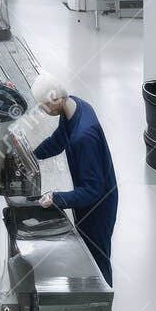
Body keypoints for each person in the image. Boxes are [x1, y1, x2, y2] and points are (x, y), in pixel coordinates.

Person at [30, 73, 119, 286]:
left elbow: (93, 190)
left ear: (56, 100)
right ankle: (87, 297)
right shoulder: (74, 106)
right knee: (86, 253)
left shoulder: (84, 136)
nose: (42, 111)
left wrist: (56, 198)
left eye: (43, 106)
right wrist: (32, 154)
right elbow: (59, 139)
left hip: (99, 206)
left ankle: (102, 308)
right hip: (89, 199)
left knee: (97, 257)